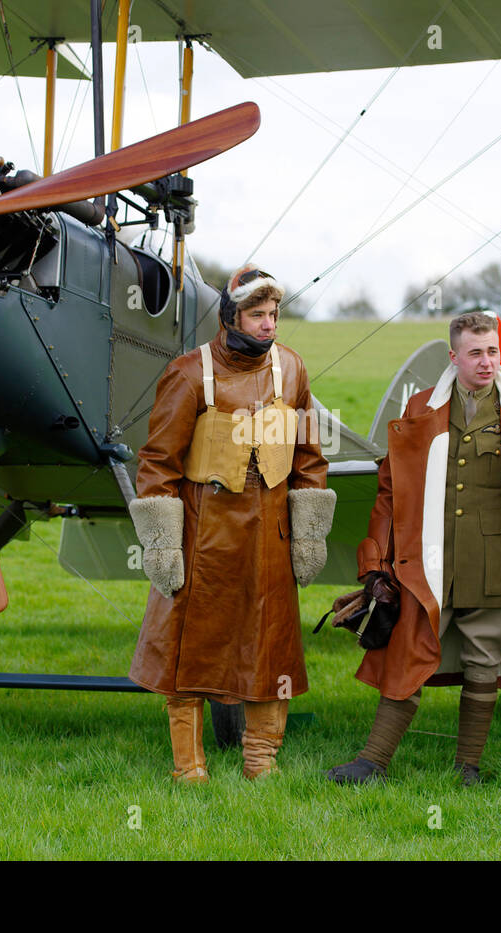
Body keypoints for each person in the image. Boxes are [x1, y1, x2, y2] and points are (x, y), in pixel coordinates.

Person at [327, 312, 501, 786]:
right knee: (407, 653)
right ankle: (373, 762)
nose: (486, 363)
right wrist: (376, 564)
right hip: (428, 563)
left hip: (498, 567)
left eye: (492, 352)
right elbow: (391, 491)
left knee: (484, 662)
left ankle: (467, 767)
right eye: (475, 353)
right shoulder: (420, 410)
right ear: (454, 357)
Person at [128, 265, 335, 783]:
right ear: (231, 316)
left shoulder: (293, 368)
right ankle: (188, 767)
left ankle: (261, 763)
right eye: (257, 315)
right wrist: (161, 544)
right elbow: (157, 462)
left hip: (271, 538)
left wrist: (308, 534)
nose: (269, 325)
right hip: (204, 535)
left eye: (274, 315)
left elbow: (309, 456)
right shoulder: (188, 371)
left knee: (271, 649)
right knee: (188, 647)